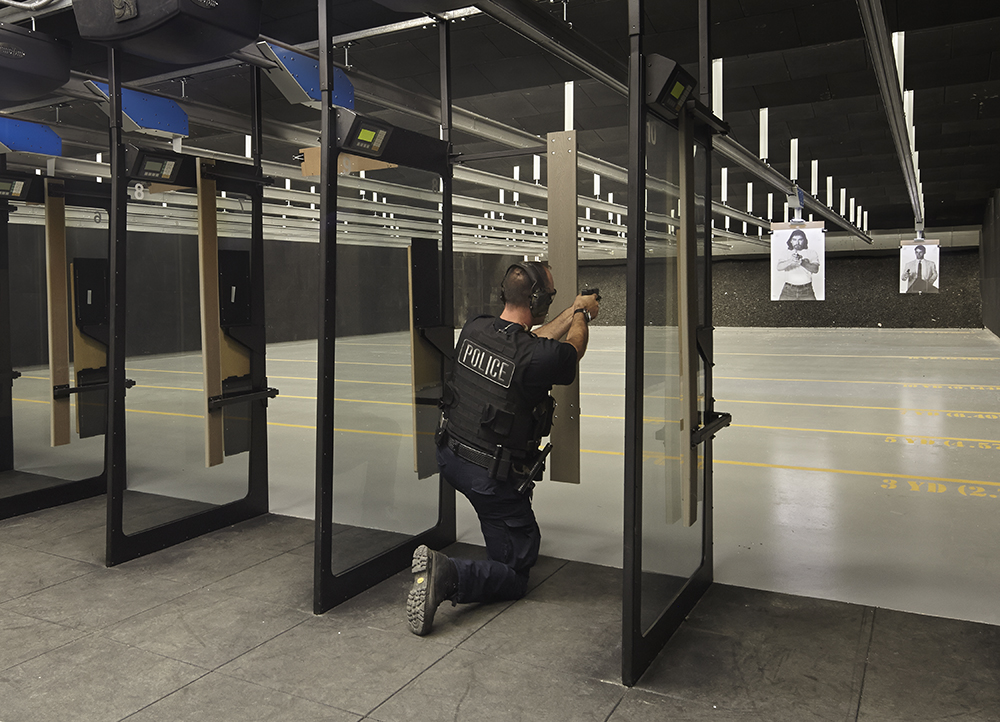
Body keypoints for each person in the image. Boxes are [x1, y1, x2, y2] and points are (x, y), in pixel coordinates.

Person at [406, 261, 599, 636]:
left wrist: (573, 307)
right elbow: (570, 351)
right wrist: (582, 316)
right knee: (517, 568)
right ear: (539, 298)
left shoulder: (475, 327)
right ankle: (446, 573)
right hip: (488, 478)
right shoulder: (533, 355)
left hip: (450, 456)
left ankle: (478, 550)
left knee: (507, 536)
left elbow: (531, 342)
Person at [775, 229, 820, 300]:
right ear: (791, 241)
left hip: (807, 290)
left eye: (800, 240)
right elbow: (779, 267)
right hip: (788, 290)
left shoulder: (811, 252)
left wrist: (802, 262)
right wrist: (790, 260)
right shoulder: (785, 253)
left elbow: (815, 269)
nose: (797, 242)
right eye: (794, 239)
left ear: (804, 240)